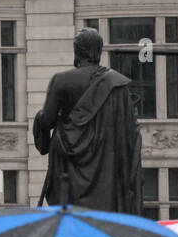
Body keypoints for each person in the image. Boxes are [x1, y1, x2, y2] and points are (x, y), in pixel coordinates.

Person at [33, 27, 142, 213]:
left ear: (77, 50)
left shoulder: (61, 80)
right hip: (105, 171)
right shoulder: (117, 84)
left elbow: (47, 121)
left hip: (68, 169)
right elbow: (128, 134)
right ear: (99, 51)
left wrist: (39, 118)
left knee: (69, 219)